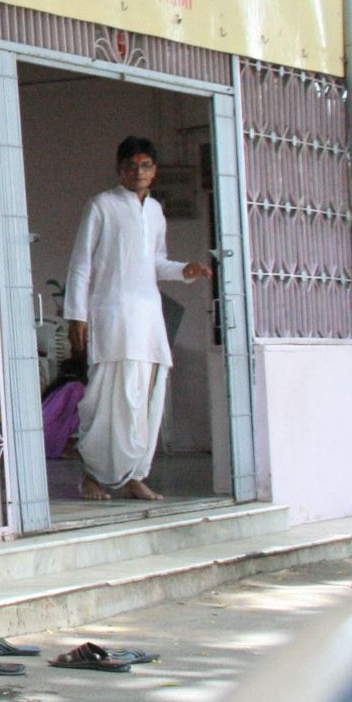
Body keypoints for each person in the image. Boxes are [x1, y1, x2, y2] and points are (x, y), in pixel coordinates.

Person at [64, 136, 213, 502]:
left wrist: (185, 271)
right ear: (119, 169)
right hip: (112, 316)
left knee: (146, 401)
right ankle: (93, 476)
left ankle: (133, 475)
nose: (138, 171)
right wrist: (76, 315)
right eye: (131, 165)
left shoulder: (156, 211)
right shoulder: (102, 205)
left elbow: (155, 263)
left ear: (154, 170)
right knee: (106, 402)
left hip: (147, 320)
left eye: (146, 165)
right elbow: (81, 263)